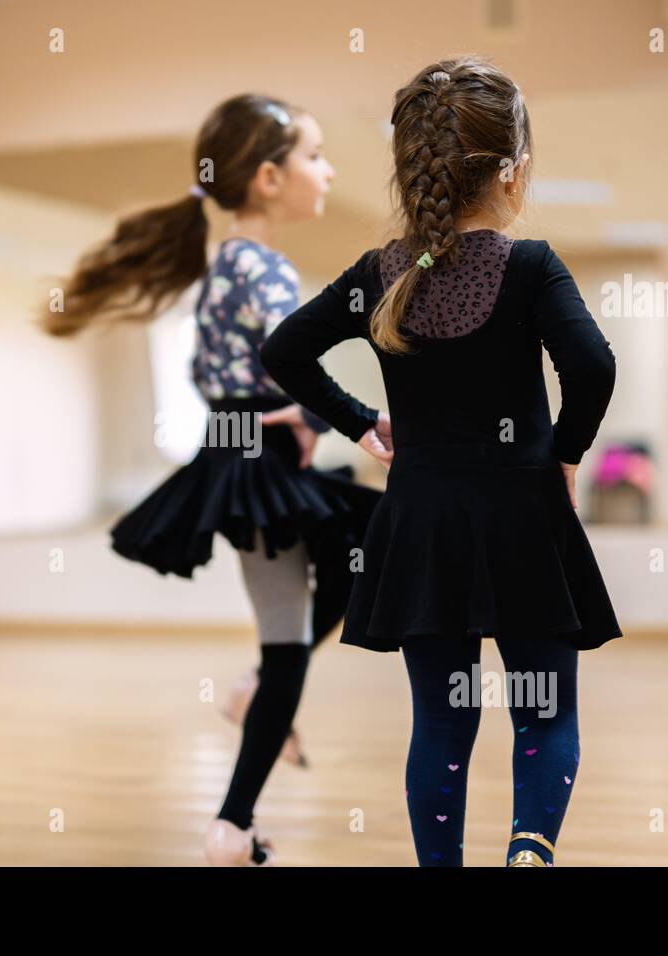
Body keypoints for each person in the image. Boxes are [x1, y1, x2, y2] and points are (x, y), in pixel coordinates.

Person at [261, 56, 623, 867]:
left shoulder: (379, 274)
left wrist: (362, 426)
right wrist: (564, 454)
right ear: (514, 172)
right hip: (525, 516)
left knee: (442, 723)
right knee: (543, 715)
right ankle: (529, 849)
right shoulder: (529, 267)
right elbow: (593, 367)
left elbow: (286, 350)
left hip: (422, 524)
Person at [42, 94, 389, 865]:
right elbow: (286, 361)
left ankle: (240, 768)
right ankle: (233, 815)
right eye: (315, 155)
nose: (328, 170)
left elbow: (218, 385)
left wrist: (286, 420)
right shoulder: (262, 267)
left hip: (233, 465)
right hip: (257, 473)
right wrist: (332, 418)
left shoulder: (222, 267)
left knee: (301, 625)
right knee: (350, 573)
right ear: (269, 179)